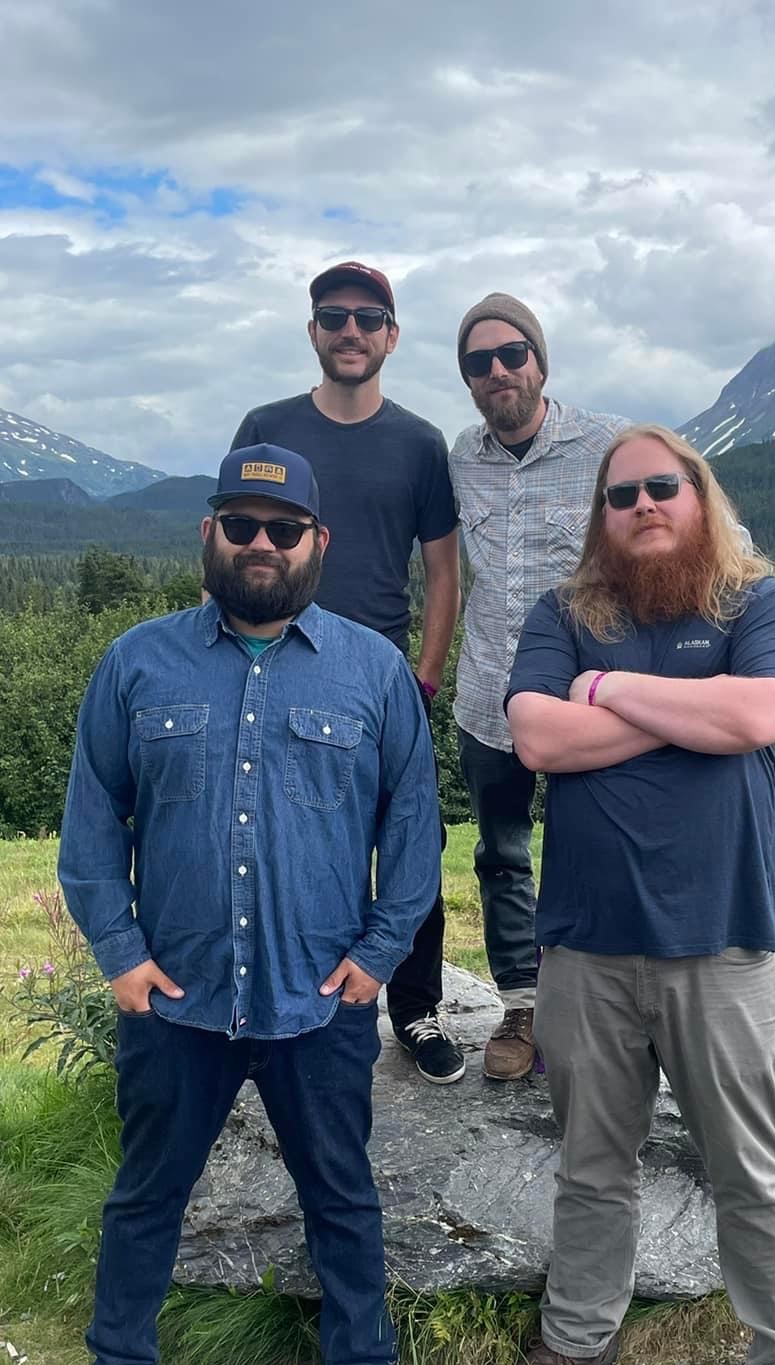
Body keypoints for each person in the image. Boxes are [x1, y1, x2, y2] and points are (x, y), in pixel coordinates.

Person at [53, 443, 440, 1365]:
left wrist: (377, 956)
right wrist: (120, 955)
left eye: (281, 530)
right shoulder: (136, 664)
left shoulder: (371, 672)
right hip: (174, 998)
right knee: (146, 1194)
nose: (259, 545)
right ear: (209, 536)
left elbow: (414, 828)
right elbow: (92, 822)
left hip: (318, 1000)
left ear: (316, 542)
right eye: (240, 525)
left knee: (342, 1196)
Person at [487, 425, 775, 1365]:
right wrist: (695, 715)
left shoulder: (757, 604)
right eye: (620, 495)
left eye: (663, 487)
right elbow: (536, 739)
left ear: (697, 497)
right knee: (591, 1165)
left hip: (723, 943)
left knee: (750, 1165)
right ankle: (576, 1338)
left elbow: (763, 712)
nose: (643, 505)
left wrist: (601, 692)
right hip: (585, 951)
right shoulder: (562, 613)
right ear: (598, 519)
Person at [231, 262, 466, 1086]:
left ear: (392, 337)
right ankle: (272, 995)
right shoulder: (267, 427)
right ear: (314, 332)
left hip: (380, 680)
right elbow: (230, 544)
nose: (351, 331)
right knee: (277, 834)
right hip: (273, 666)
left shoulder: (418, 444)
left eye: (369, 318)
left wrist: (424, 679)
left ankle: (418, 1006)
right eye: (334, 316)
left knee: (412, 843)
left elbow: (443, 571)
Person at [447, 293, 630, 1081]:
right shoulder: (457, 458)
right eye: (477, 362)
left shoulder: (608, 446)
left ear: (540, 361)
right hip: (489, 695)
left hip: (588, 698)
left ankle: (606, 1010)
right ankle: (522, 1005)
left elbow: (703, 533)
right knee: (502, 854)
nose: (497, 372)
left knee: (603, 851)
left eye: (511, 354)